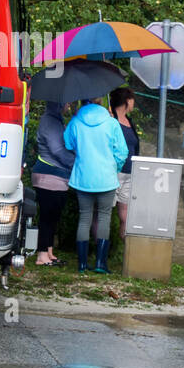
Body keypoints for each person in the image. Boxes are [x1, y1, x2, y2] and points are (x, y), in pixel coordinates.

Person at [63, 97, 129, 273]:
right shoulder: (111, 122)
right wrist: (114, 166)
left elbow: (68, 143)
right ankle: (101, 263)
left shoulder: (76, 121)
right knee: (104, 218)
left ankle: (82, 264)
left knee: (84, 218)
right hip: (106, 178)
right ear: (101, 103)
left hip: (83, 177)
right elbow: (122, 151)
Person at [30, 101, 75, 266]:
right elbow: (57, 150)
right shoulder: (50, 121)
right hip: (49, 176)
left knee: (53, 216)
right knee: (47, 217)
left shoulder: (55, 119)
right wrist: (75, 162)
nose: (69, 105)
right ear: (58, 102)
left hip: (55, 176)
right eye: (67, 102)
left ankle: (48, 251)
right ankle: (42, 254)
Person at [109, 86, 140, 237]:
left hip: (129, 173)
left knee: (125, 214)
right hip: (114, 172)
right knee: (106, 211)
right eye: (132, 100)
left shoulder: (129, 121)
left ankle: (124, 248)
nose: (134, 103)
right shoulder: (111, 120)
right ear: (127, 101)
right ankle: (103, 246)